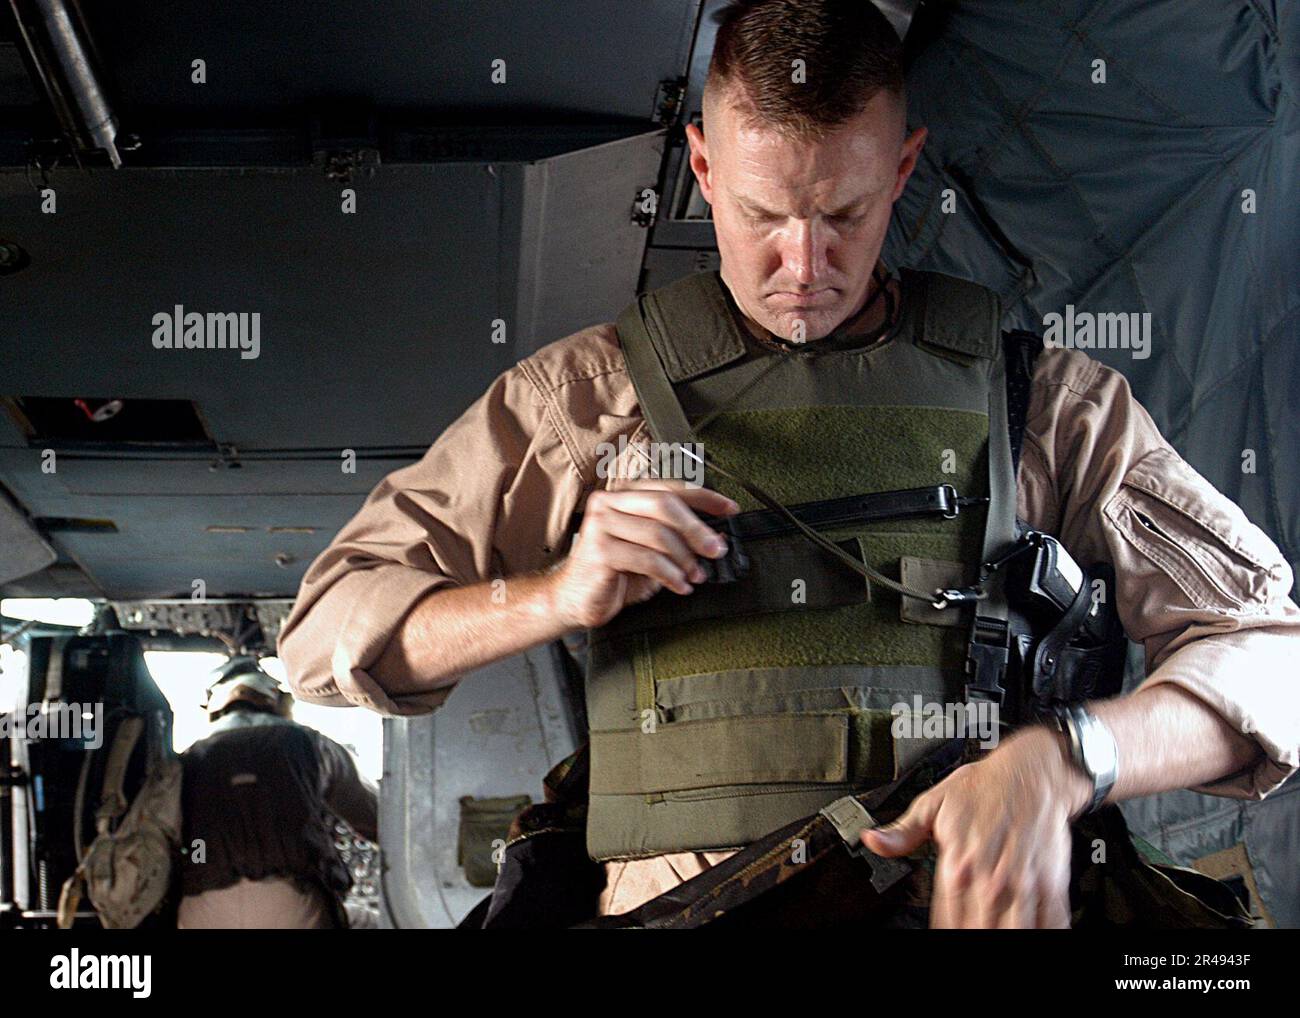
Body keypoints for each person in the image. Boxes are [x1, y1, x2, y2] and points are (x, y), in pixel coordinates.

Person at [278, 0, 1299, 927]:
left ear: (902, 169)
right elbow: (323, 634)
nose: (803, 268)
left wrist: (1073, 757)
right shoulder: (582, 399)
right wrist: (550, 595)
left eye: (845, 215)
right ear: (703, 169)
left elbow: (1273, 660)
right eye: (763, 216)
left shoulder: (1045, 403)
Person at [177, 656, 378, 929]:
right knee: (371, 922)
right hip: (293, 903)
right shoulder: (308, 744)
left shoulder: (187, 760)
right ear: (277, 701)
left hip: (201, 905)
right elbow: (377, 817)